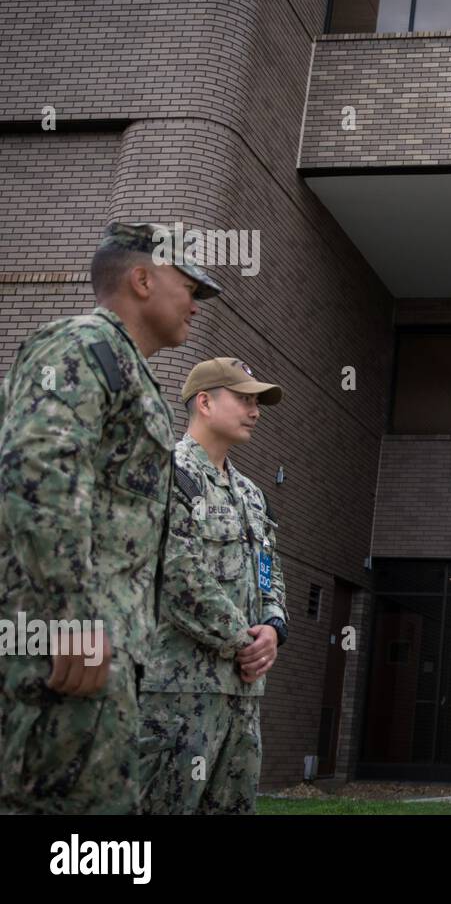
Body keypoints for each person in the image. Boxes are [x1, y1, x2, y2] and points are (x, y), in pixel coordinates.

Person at [0, 221, 220, 813]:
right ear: (142, 279)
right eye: (189, 287)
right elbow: (37, 476)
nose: (195, 305)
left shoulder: (130, 371)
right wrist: (73, 615)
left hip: (103, 650)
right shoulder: (79, 346)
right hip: (61, 645)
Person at [139, 358, 288, 814]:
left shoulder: (250, 493)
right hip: (179, 693)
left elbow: (270, 567)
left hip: (241, 693)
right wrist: (244, 640)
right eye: (243, 399)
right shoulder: (167, 473)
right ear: (204, 402)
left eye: (257, 402)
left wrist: (274, 627)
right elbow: (177, 574)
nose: (255, 410)